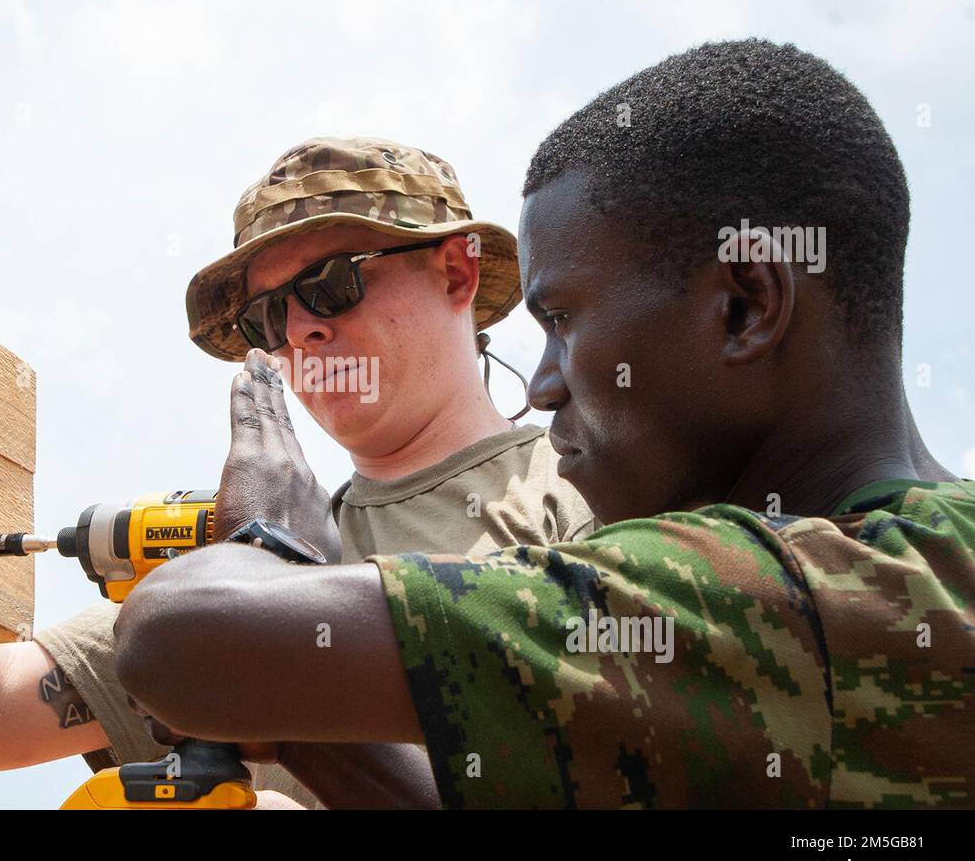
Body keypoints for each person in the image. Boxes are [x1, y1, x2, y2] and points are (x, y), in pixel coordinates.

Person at [112, 39, 975, 808]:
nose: (547, 382)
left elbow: (176, 637)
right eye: (270, 320)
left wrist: (268, 541)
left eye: (562, 320)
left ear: (746, 307)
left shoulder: (753, 596)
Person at [0, 137, 594, 808]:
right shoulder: (249, 555)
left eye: (331, 284)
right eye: (268, 315)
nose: (298, 332)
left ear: (455, 271)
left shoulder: (583, 491)